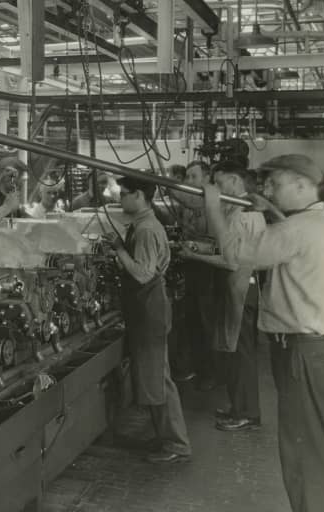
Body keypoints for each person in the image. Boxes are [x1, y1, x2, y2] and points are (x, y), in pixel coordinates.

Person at [202, 154, 324, 512]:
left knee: (301, 453)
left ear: (303, 185)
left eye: (275, 184)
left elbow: (234, 254)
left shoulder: (294, 230)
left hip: (301, 352)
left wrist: (213, 207)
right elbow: (290, 236)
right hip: (320, 347)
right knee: (318, 448)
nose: (266, 189)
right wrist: (271, 209)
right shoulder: (320, 221)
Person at [106, 177, 191, 464]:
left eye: (125, 194)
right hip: (147, 309)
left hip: (149, 310)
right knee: (155, 376)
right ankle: (166, 436)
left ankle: (176, 443)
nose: (121, 199)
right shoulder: (143, 225)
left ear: (140, 196)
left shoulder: (145, 229)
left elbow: (142, 274)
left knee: (159, 379)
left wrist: (118, 249)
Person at [179, 165, 266, 431]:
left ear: (234, 178)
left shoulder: (244, 215)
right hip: (237, 289)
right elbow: (229, 250)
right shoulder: (240, 211)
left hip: (241, 291)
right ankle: (240, 407)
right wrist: (203, 247)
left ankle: (246, 413)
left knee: (241, 355)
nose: (215, 189)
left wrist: (195, 256)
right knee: (235, 353)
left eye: (218, 182)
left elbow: (231, 262)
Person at [166, 161, 217, 389]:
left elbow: (218, 247)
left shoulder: (210, 200)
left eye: (193, 177)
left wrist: (164, 183)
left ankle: (210, 373)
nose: (189, 182)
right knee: (192, 320)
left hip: (208, 269)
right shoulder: (190, 203)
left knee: (207, 322)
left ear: (207, 178)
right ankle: (195, 367)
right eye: (186, 177)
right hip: (191, 267)